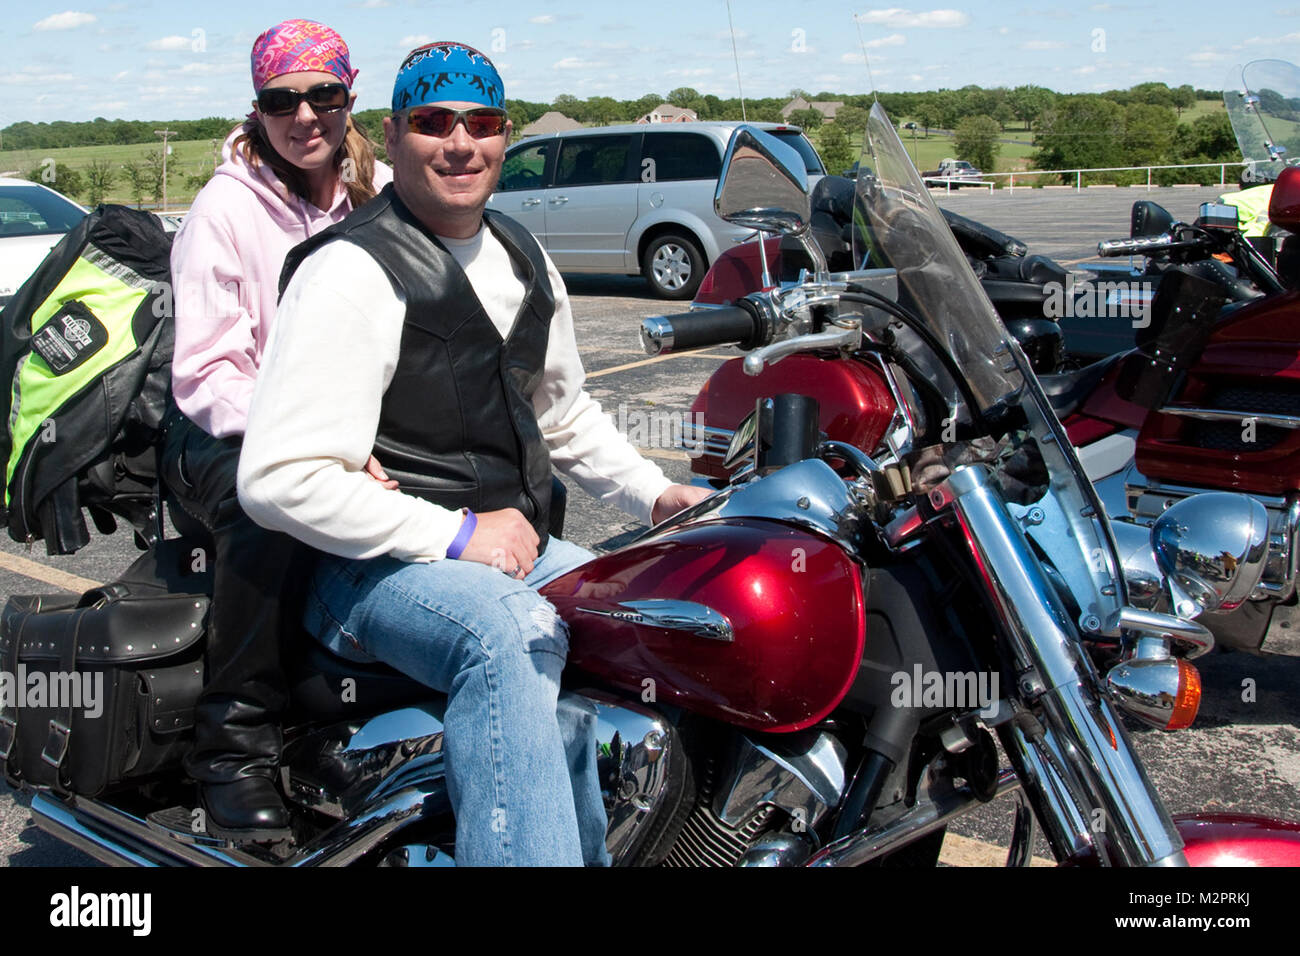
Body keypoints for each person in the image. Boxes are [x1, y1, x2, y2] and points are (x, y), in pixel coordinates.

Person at [237, 41, 709, 865]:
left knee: (669, 609)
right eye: (433, 122)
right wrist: (455, 535)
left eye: (482, 122)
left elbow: (562, 417)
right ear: (392, 138)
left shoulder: (526, 257)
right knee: (512, 631)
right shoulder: (350, 271)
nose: (461, 143)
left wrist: (654, 495)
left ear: (506, 135)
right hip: (370, 567)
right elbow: (278, 478)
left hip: (504, 550)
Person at [162, 19, 392, 840]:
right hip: (220, 429)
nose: (304, 116)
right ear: (256, 109)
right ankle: (233, 749)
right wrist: (319, 447)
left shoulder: (377, 195)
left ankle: (352, 715)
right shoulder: (225, 209)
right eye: (280, 99)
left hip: (351, 427)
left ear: (349, 98)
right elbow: (208, 373)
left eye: (322, 95)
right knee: (271, 509)